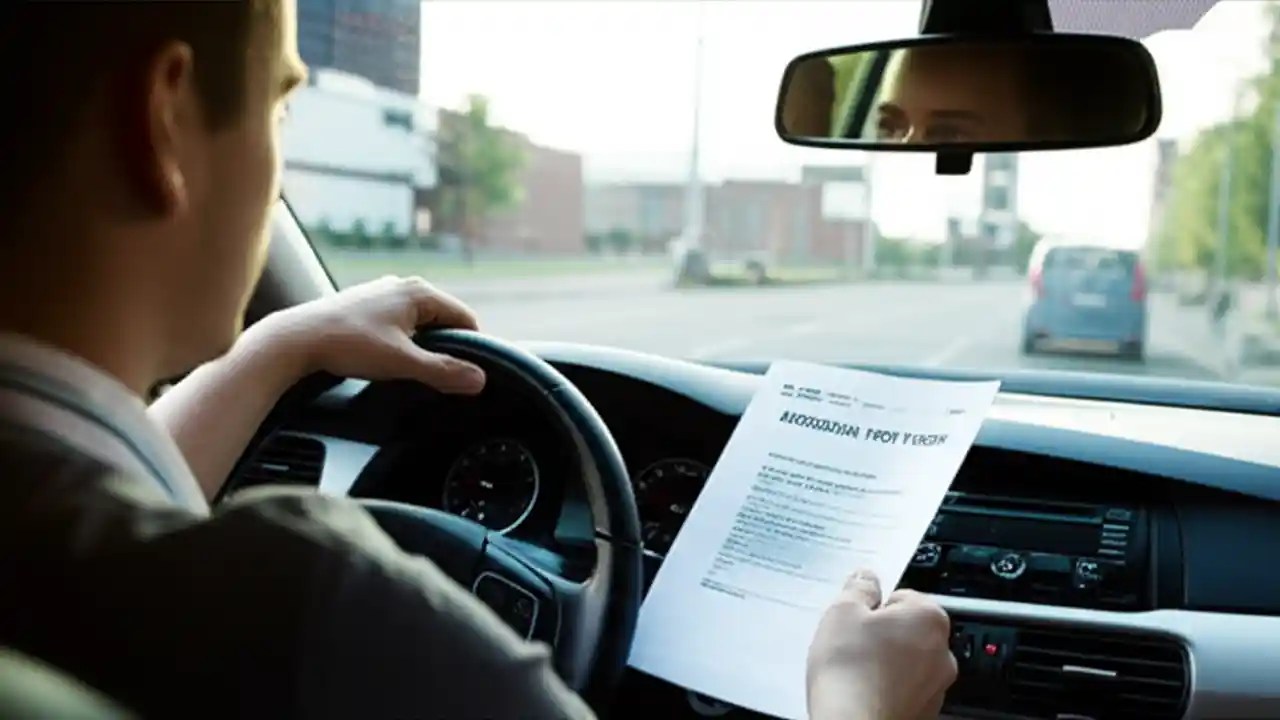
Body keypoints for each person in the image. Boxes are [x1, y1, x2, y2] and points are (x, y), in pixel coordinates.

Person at [0, 1, 958, 719]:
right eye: (281, 114)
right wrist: (858, 704)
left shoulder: (67, 555)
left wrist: (276, 346)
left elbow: (87, 497)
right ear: (165, 120)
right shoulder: (313, 607)